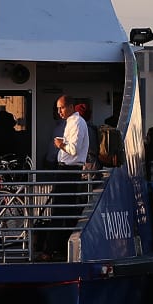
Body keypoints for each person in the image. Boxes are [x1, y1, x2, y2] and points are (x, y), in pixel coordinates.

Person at [42, 94, 90, 259]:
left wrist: (60, 144)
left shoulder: (77, 122)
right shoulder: (71, 122)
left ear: (70, 107)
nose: (59, 111)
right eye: (57, 108)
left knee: (59, 210)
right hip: (66, 169)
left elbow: (74, 149)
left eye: (61, 108)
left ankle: (51, 250)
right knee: (63, 210)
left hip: (69, 171)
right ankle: (58, 247)